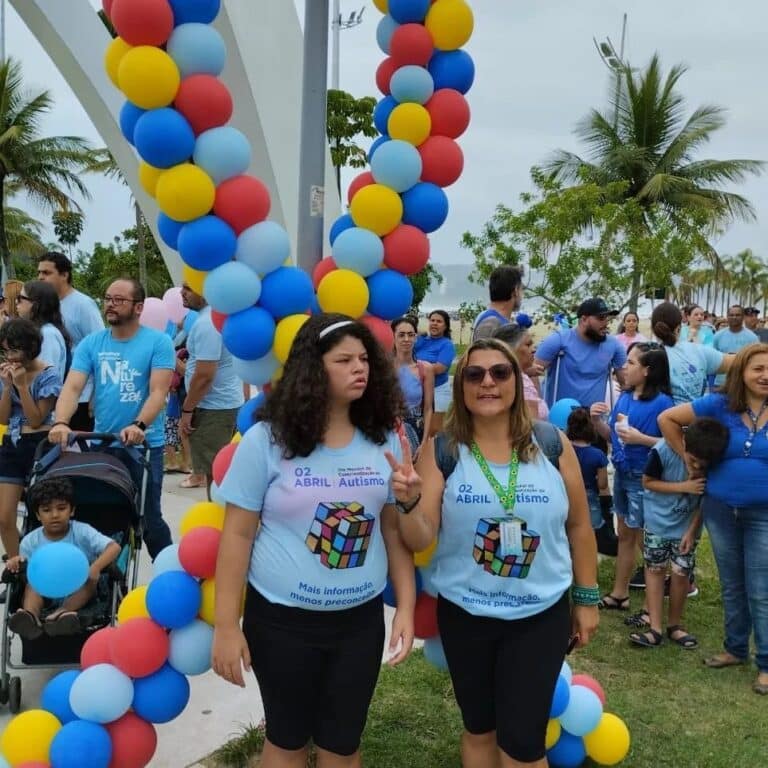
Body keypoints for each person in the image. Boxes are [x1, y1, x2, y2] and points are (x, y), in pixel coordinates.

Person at [212, 314, 416, 768]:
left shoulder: (382, 439)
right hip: (281, 623)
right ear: (311, 368)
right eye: (343, 359)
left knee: (342, 745)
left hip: (359, 624)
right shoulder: (267, 440)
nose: (359, 368)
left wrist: (404, 605)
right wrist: (226, 625)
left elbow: (392, 529)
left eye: (364, 359)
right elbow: (237, 535)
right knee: (285, 741)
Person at [394, 338, 599, 766]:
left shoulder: (551, 445)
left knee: (523, 743)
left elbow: (579, 526)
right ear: (462, 386)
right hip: (466, 614)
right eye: (475, 374)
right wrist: (410, 503)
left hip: (538, 614)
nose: (488, 382)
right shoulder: (442, 451)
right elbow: (420, 537)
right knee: (480, 729)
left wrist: (586, 599)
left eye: (500, 372)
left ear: (516, 381)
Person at [659, 343, 768, 696]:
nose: (765, 375)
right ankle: (735, 649)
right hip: (720, 510)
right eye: (757, 369)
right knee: (732, 584)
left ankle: (765, 663)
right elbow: (668, 419)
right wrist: (688, 458)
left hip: (763, 514)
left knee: (761, 589)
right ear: (741, 373)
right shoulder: (720, 405)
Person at [48, 278, 174, 560]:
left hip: (144, 445)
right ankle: (102, 579)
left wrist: (139, 424)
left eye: (119, 300)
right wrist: (61, 421)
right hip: (104, 443)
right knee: (101, 514)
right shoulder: (93, 343)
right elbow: (72, 387)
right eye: (107, 299)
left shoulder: (159, 342)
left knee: (149, 517)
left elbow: (158, 391)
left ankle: (171, 572)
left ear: (139, 307)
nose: (110, 304)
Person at [628, 417, 729, 650]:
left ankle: (675, 626)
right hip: (656, 524)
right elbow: (648, 482)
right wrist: (683, 487)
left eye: (701, 466)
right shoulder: (662, 451)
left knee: (681, 574)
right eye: (692, 461)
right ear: (683, 444)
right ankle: (655, 628)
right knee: (654, 571)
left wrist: (692, 531)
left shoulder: (713, 462)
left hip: (686, 529)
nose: (695, 469)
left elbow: (705, 500)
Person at [592, 342, 673, 611]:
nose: (624, 367)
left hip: (644, 475)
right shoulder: (625, 398)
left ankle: (655, 601)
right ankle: (620, 593)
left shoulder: (663, 403)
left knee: (645, 538)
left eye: (631, 363)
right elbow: (615, 437)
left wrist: (642, 439)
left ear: (648, 370)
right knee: (625, 532)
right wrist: (597, 423)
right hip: (624, 473)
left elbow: (671, 444)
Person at [4, 476, 121, 639]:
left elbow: (114, 546)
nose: (54, 515)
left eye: (61, 508)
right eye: (46, 510)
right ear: (37, 515)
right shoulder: (31, 541)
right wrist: (15, 563)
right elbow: (25, 569)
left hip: (79, 587)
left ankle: (61, 614)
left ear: (71, 510)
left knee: (90, 580)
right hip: (45, 591)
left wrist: (95, 567)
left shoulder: (82, 531)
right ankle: (30, 617)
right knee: (32, 585)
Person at [0, 319, 62, 560]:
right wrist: (7, 387)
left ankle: (41, 569)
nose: (10, 356)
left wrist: (23, 387)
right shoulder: (8, 374)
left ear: (29, 346)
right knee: (4, 517)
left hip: (40, 444)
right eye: (5, 350)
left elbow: (36, 419)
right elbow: (3, 418)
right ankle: (18, 568)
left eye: (14, 350)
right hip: (12, 444)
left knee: (41, 515)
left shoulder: (49, 374)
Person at [179, 284, 244, 495]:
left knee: (216, 476)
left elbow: (205, 375)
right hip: (221, 405)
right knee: (218, 474)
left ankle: (219, 523)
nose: (182, 293)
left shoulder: (208, 323)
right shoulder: (214, 318)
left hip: (213, 409)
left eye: (188, 288)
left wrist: (187, 410)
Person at [37, 252, 104, 431]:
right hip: (56, 393)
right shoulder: (47, 306)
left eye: (46, 273)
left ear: (64, 275)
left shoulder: (83, 304)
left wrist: (96, 395)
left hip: (82, 394)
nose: (40, 277)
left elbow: (101, 348)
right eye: (39, 273)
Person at [535, 297, 627, 408]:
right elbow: (531, 373)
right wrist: (538, 405)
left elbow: (626, 383)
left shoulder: (614, 345)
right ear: (584, 319)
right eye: (601, 318)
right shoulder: (558, 340)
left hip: (593, 420)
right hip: (559, 417)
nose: (606, 322)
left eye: (607, 318)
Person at [649, 302, 731, 405]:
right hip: (692, 417)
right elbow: (736, 362)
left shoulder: (643, 353)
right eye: (696, 314)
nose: (699, 317)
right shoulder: (699, 351)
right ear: (679, 327)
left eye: (701, 315)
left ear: (653, 328)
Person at [566, 407, 616, 556]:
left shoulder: (564, 449)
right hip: (589, 497)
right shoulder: (598, 455)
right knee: (590, 531)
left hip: (567, 493)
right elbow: (603, 485)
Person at [392, 316, 434, 453]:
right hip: (389, 432)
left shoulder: (425, 369)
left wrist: (425, 441)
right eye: (401, 335)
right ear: (393, 337)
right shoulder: (384, 369)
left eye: (411, 335)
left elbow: (428, 408)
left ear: (415, 337)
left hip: (416, 431)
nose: (406, 339)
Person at [16, 280, 71, 383]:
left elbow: (46, 380)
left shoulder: (48, 334)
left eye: (20, 298)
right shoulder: (40, 332)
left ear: (35, 305)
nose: (16, 302)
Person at [493, 322, 548, 420]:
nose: (533, 349)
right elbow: (530, 426)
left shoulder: (499, 376)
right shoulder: (521, 383)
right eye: (528, 345)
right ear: (509, 349)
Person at [414, 310, 455, 434]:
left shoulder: (447, 345)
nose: (435, 324)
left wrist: (414, 369)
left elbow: (439, 368)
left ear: (445, 326)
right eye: (432, 320)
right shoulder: (421, 340)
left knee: (433, 431)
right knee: (416, 428)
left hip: (438, 391)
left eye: (439, 321)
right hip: (418, 390)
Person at [472, 265, 524, 341]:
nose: (522, 295)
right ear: (516, 291)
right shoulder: (492, 323)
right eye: (521, 289)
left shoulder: (485, 317)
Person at [712, 305, 758, 387]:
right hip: (721, 383)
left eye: (737, 315)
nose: (734, 317)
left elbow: (755, 360)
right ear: (727, 317)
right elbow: (713, 359)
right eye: (731, 315)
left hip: (743, 383)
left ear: (743, 317)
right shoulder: (718, 336)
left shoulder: (752, 337)